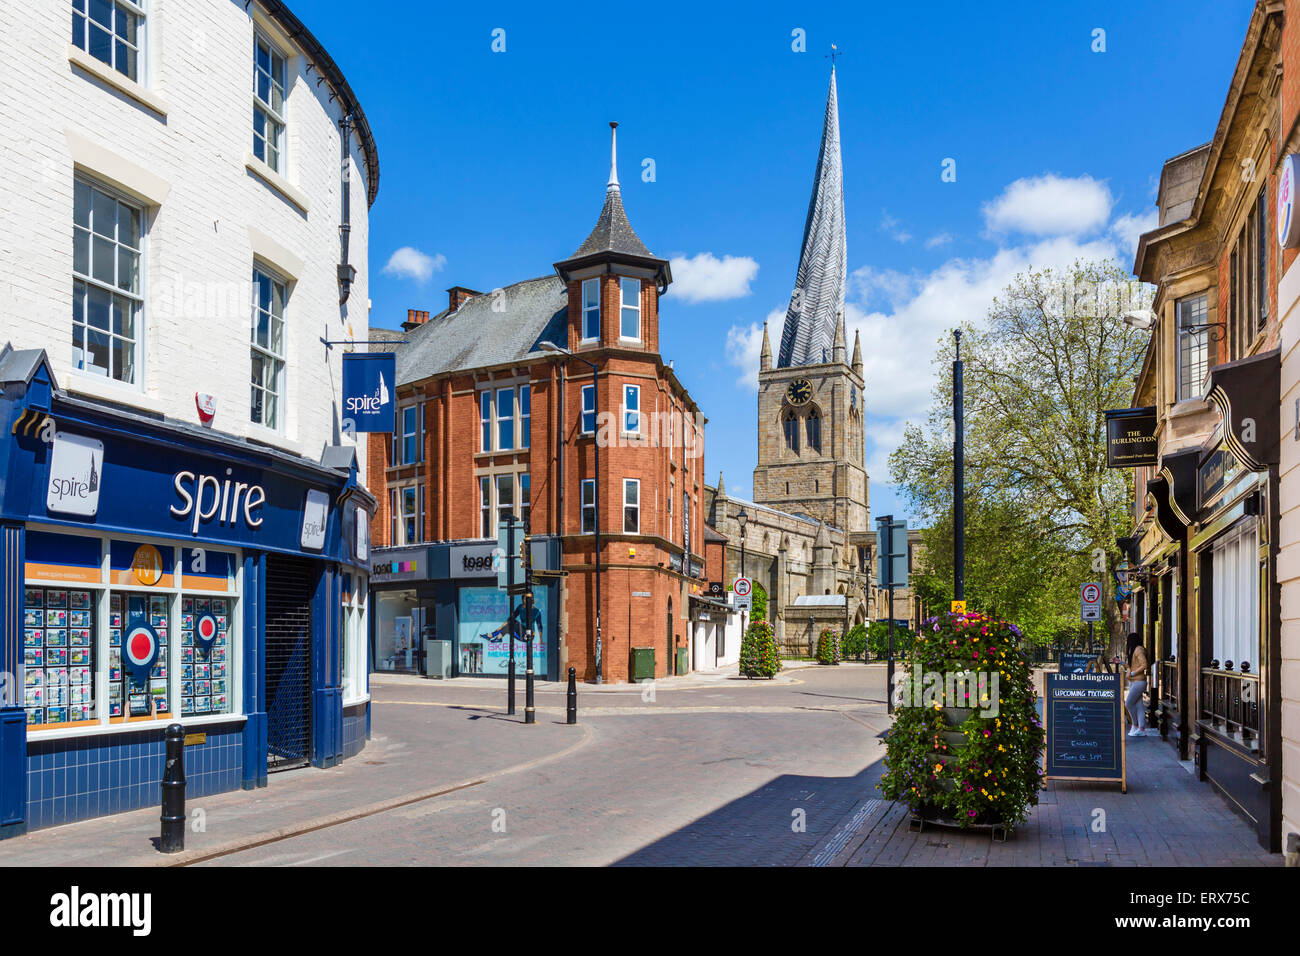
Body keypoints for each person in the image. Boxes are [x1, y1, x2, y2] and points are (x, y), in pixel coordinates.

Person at [1124, 633, 1152, 737]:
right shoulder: (1136, 650)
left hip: (1138, 681)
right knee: (1139, 706)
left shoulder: (1138, 650)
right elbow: (1133, 665)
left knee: (1129, 703)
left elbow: (1144, 664)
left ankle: (1135, 724)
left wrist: (1133, 673)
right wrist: (1123, 664)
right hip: (1135, 681)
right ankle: (1141, 728)